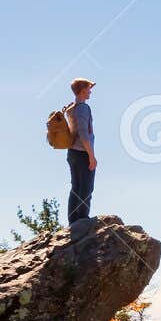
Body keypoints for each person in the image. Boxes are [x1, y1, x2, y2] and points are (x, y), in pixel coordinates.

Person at [65, 78, 98, 222]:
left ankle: (73, 221)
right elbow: (84, 133)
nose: (90, 91)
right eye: (89, 88)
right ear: (83, 90)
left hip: (72, 152)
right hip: (82, 152)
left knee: (75, 187)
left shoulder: (71, 108)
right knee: (86, 187)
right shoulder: (83, 108)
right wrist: (91, 156)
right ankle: (82, 219)